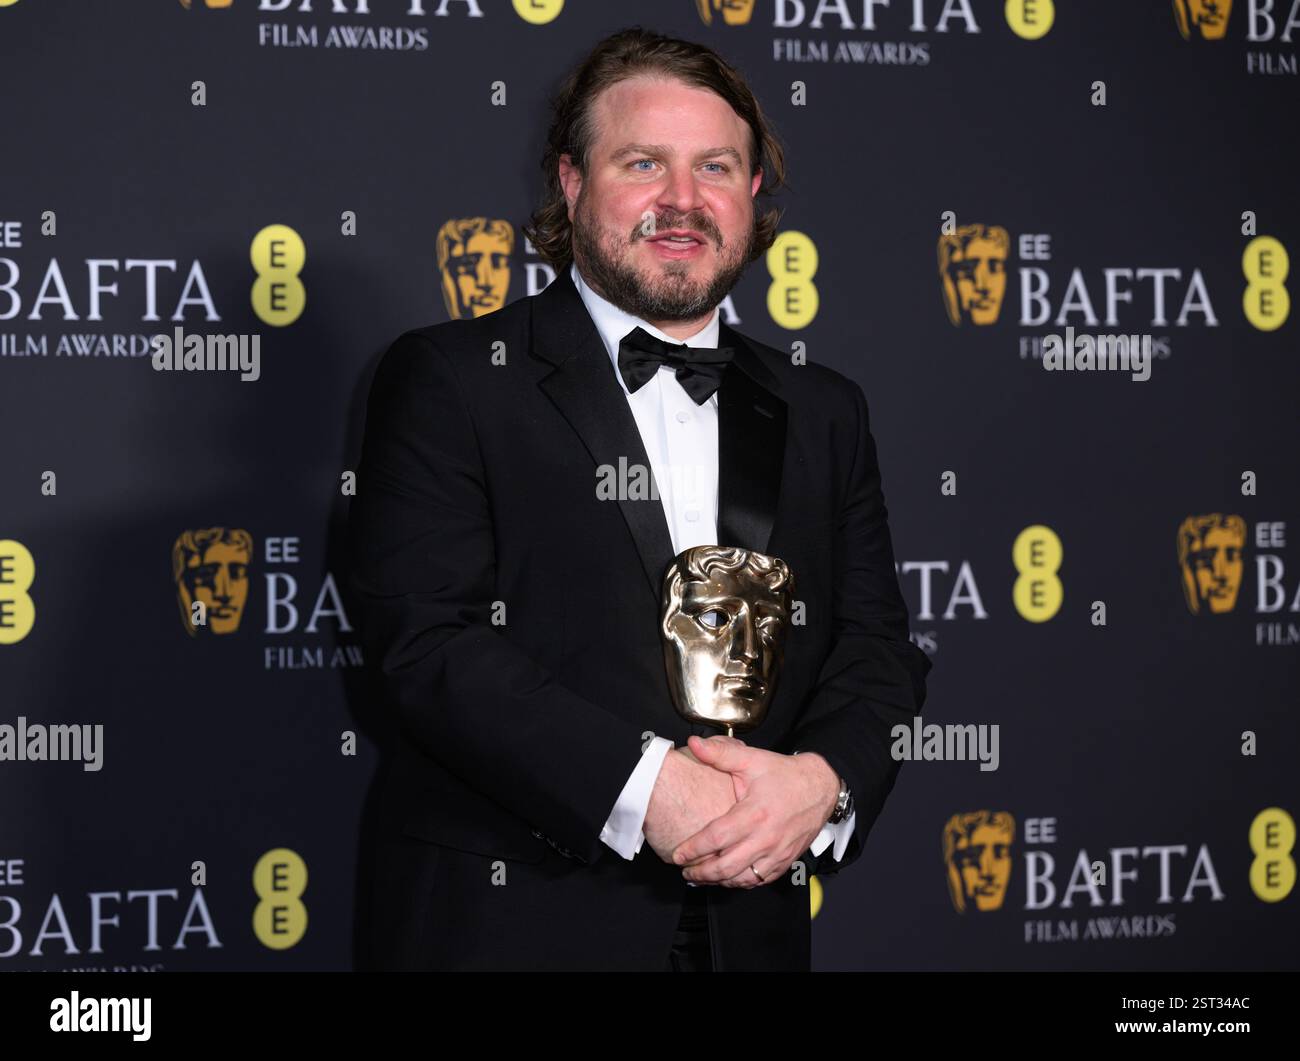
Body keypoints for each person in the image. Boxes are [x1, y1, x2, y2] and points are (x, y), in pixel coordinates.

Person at [347, 26, 930, 972]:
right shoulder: (452, 379)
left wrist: (821, 784)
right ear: (571, 183)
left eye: (716, 166)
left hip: (755, 934)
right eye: (643, 162)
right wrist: (648, 784)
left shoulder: (824, 408)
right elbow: (427, 642)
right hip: (510, 930)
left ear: (752, 195)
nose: (683, 200)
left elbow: (877, 646)